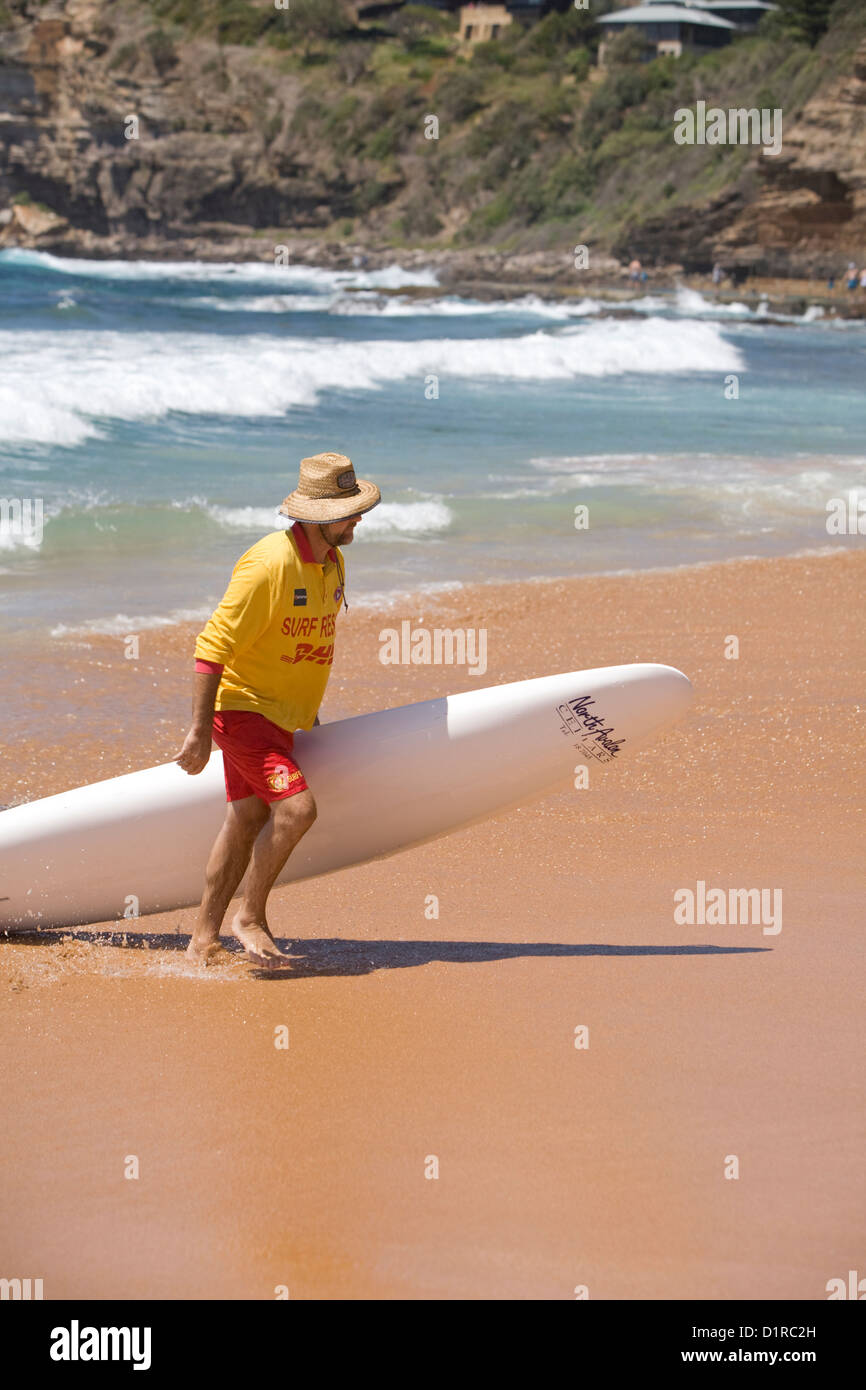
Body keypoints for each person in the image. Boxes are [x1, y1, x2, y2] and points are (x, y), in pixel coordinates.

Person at [175, 452, 381, 967]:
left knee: (245, 818)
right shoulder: (269, 565)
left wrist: (307, 712)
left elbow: (310, 643)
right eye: (350, 511)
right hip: (242, 713)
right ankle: (251, 915)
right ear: (316, 515)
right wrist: (200, 732)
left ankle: (202, 937)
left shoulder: (334, 563)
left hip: (279, 719)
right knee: (297, 810)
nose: (359, 518)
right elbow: (211, 646)